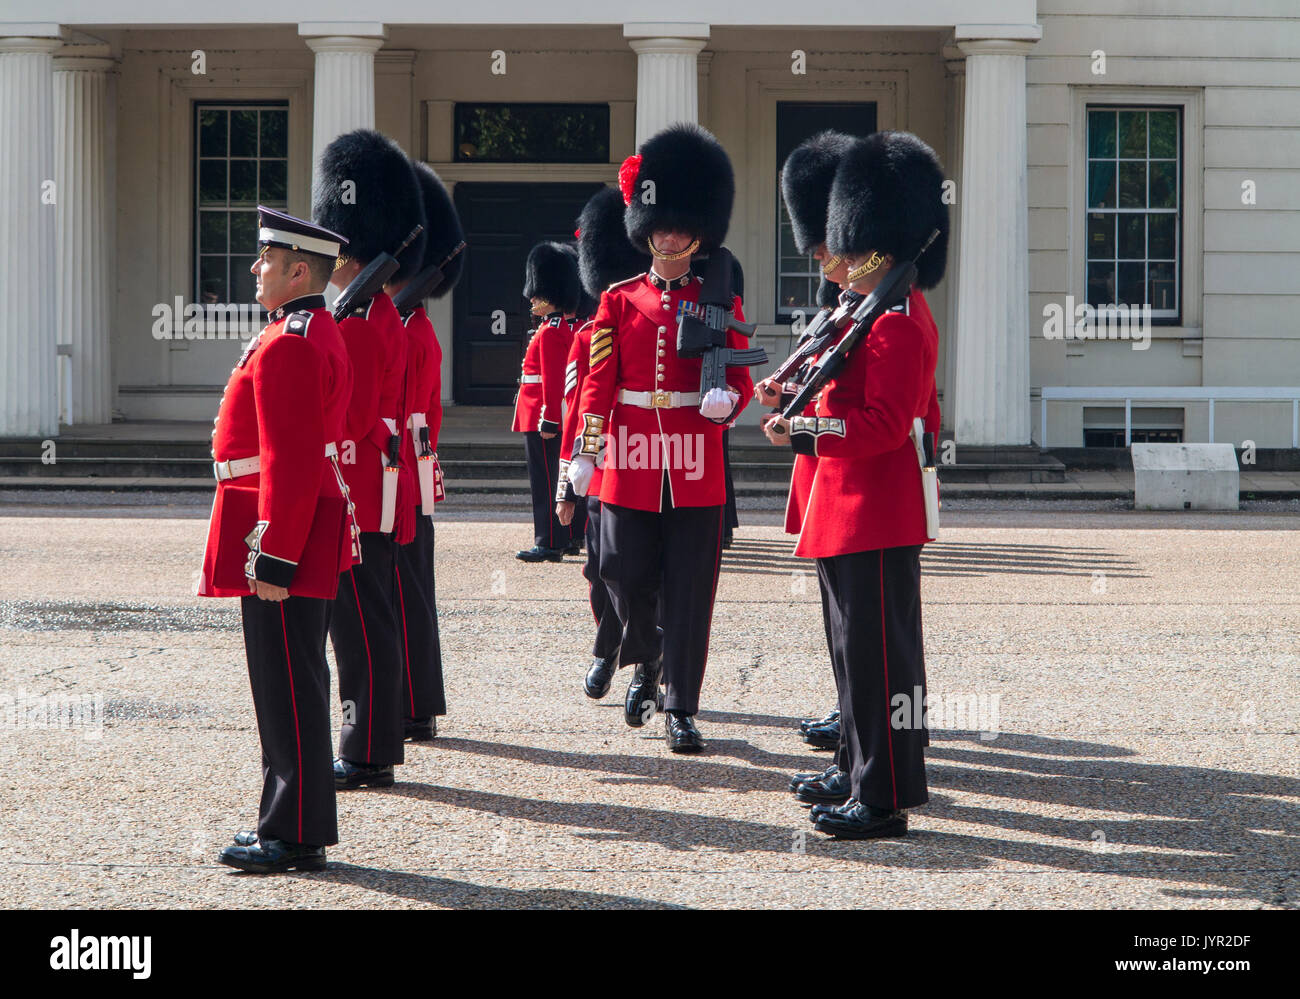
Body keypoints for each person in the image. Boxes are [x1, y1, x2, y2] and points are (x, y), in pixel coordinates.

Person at [761, 131, 948, 838]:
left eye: (852, 247)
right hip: (847, 509)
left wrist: (801, 432)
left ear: (878, 245)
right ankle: (857, 764)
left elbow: (880, 425)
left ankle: (886, 794)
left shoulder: (898, 324)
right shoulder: (867, 312)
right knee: (852, 654)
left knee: (880, 662)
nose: (839, 261)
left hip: (876, 507)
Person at [567, 123, 754, 753]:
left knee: (692, 588)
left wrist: (729, 402)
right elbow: (598, 383)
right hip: (628, 459)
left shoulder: (716, 297)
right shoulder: (619, 301)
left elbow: (737, 371)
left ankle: (680, 705)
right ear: (646, 229)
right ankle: (642, 656)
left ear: (697, 231)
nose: (671, 236)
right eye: (662, 225)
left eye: (681, 227)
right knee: (619, 570)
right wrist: (584, 454)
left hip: (695, 461)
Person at [199, 206, 354, 873]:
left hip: (278, 527)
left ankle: (290, 831)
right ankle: (292, 821)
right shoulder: (310, 328)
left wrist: (275, 552)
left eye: (266, 259)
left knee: (286, 685)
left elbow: (289, 458)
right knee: (292, 681)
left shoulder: (292, 338)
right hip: (282, 519)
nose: (255, 268)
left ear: (299, 270)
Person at [313, 129, 426, 790]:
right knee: (366, 622)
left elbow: (349, 419)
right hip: (370, 484)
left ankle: (365, 750)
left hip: (354, 488)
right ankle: (373, 746)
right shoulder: (373, 309)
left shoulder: (357, 320)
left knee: (357, 628)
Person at [556, 187, 652, 699]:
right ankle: (612, 643)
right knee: (601, 569)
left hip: (647, 459)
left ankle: (630, 659)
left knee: (642, 573)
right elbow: (580, 410)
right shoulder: (589, 332)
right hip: (605, 461)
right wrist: (571, 474)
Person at [389, 158, 465, 742]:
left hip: (396, 474)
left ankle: (413, 703)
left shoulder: (404, 327)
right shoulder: (407, 323)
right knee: (409, 592)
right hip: (409, 469)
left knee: (402, 592)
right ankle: (416, 701)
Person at [513, 241, 581, 562]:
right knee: (554, 476)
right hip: (538, 412)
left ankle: (549, 541)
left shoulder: (552, 331)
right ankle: (564, 537)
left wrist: (551, 419)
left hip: (542, 416)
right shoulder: (552, 327)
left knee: (547, 481)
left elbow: (553, 382)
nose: (531, 298)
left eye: (537, 293)